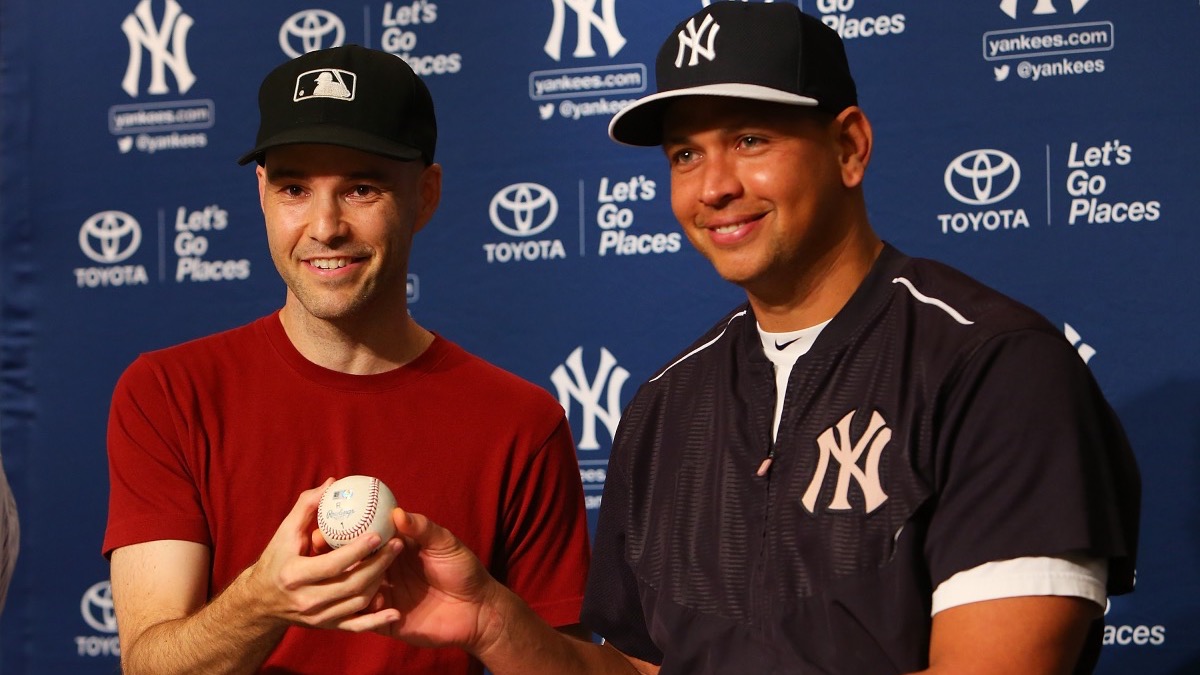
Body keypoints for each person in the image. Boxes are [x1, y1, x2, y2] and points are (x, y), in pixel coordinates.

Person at [358, 4, 1141, 675]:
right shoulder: (668, 404)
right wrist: (498, 624)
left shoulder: (994, 365)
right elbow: (640, 667)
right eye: (686, 155)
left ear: (849, 147)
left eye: (751, 139)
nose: (714, 185)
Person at [102, 44, 591, 675]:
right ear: (261, 194)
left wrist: (494, 622)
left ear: (427, 195)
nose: (325, 226)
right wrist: (261, 601)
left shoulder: (521, 422)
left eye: (361, 187)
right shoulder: (168, 392)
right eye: (295, 188)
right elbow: (149, 665)